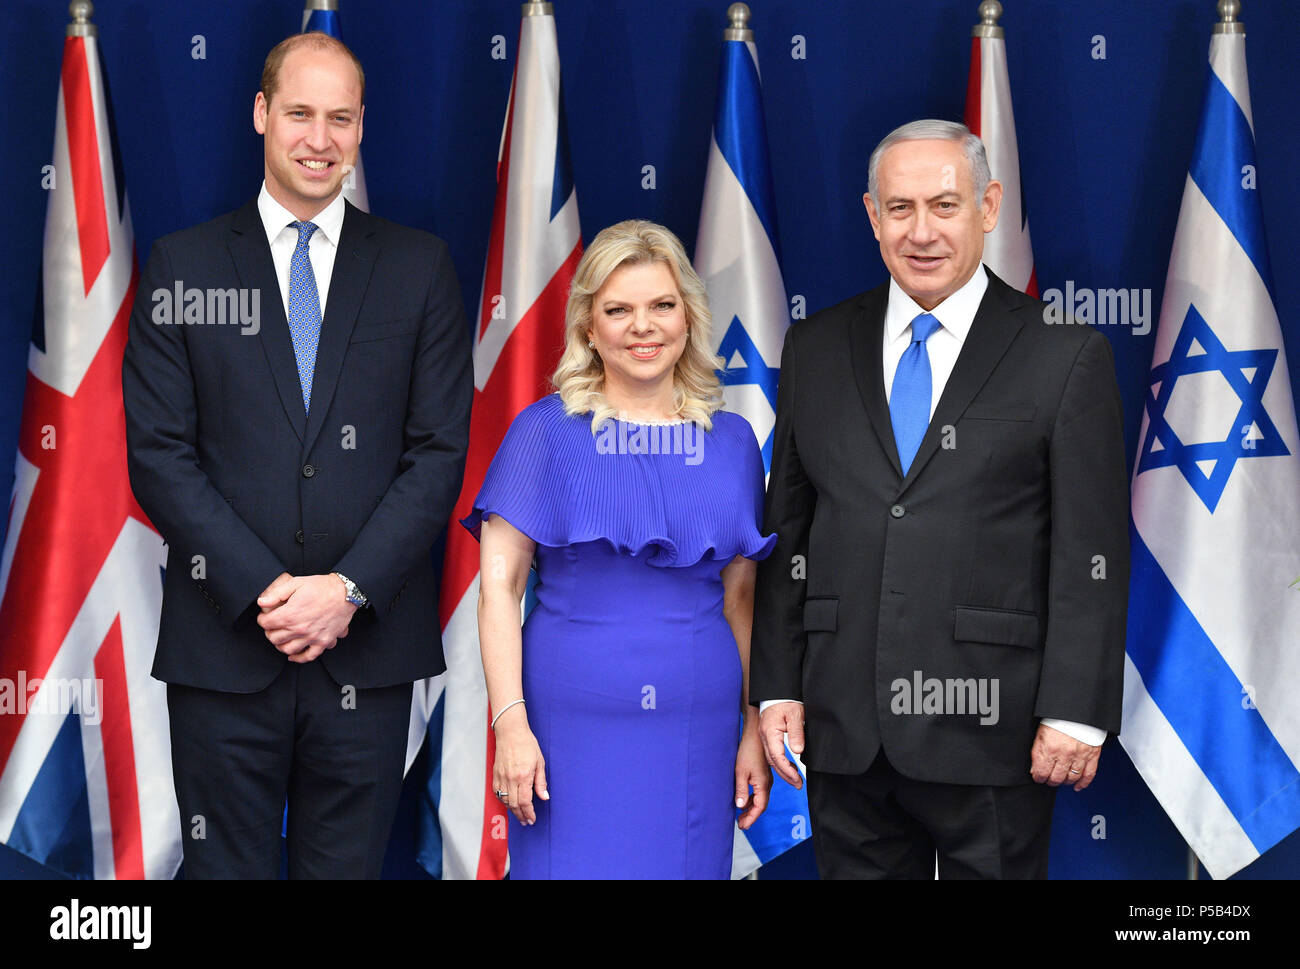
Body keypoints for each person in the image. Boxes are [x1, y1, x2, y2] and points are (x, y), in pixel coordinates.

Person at [122, 32, 472, 878]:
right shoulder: (184, 265)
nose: (321, 139)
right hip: (224, 648)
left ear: (360, 129)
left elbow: (437, 454)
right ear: (261, 115)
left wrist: (345, 592)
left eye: (341, 118)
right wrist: (273, 593)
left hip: (368, 649)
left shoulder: (418, 268)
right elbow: (160, 458)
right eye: (301, 114)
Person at [751, 119, 1129, 879]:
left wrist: (1075, 709)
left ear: (988, 207)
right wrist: (776, 687)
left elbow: (1091, 549)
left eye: (945, 205)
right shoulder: (815, 347)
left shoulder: (1065, 352)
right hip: (843, 724)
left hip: (994, 726)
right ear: (872, 215)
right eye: (900, 208)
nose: (921, 231)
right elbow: (788, 533)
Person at [465, 220, 775, 879]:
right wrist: (510, 725)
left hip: (698, 728)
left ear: (688, 317)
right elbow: (498, 591)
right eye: (618, 309)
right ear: (588, 326)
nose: (643, 326)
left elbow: (742, 598)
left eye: (662, 305)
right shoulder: (541, 433)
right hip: (563, 731)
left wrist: (752, 721)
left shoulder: (735, 443)